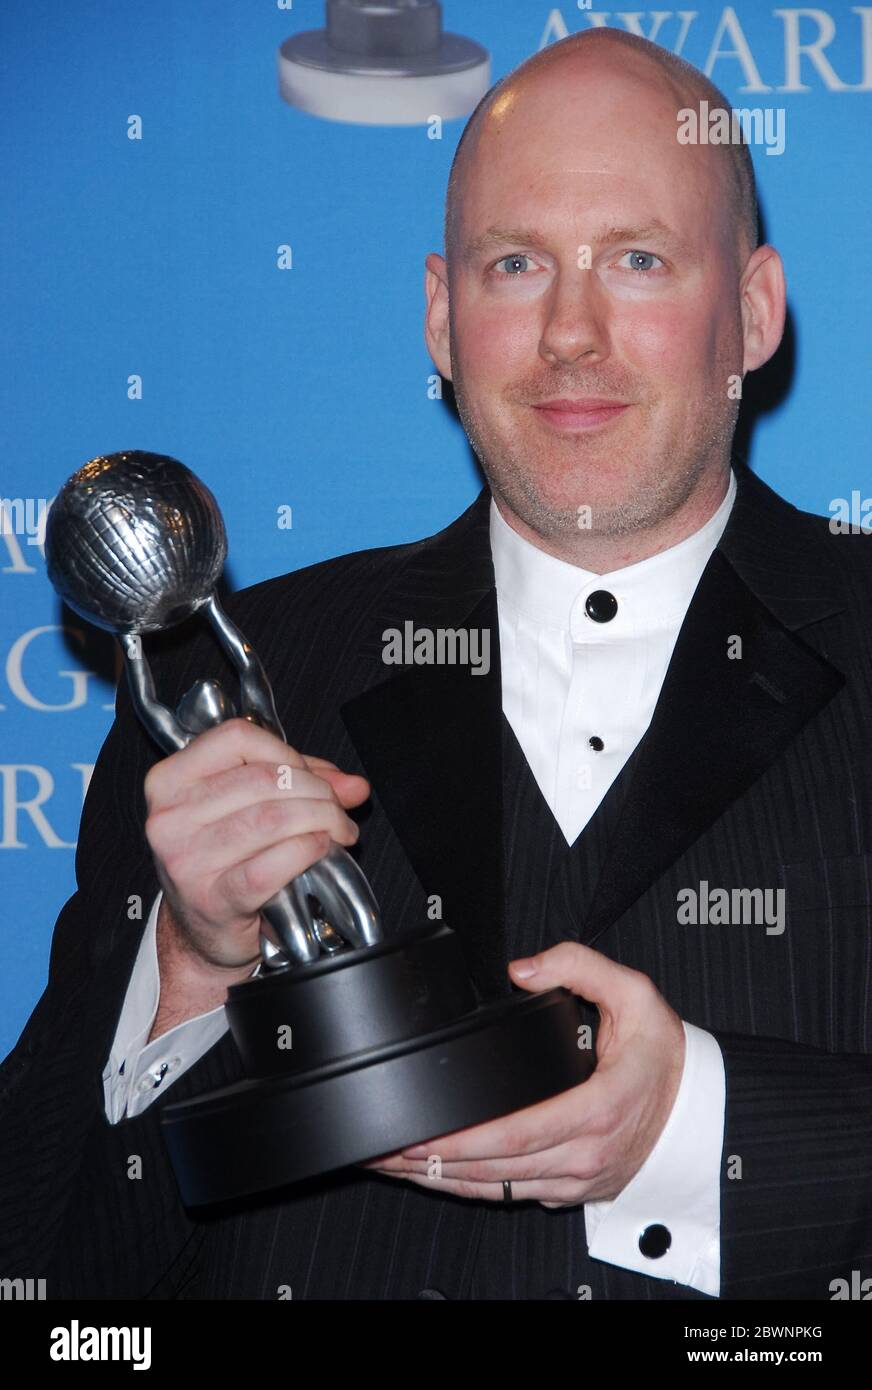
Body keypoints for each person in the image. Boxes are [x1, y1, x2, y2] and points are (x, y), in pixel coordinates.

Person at [2, 27, 871, 1301]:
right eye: (514, 264)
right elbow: (46, 1276)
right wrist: (188, 977)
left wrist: (699, 1132)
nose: (569, 333)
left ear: (749, 312)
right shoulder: (226, 693)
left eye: (636, 259)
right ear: (439, 318)